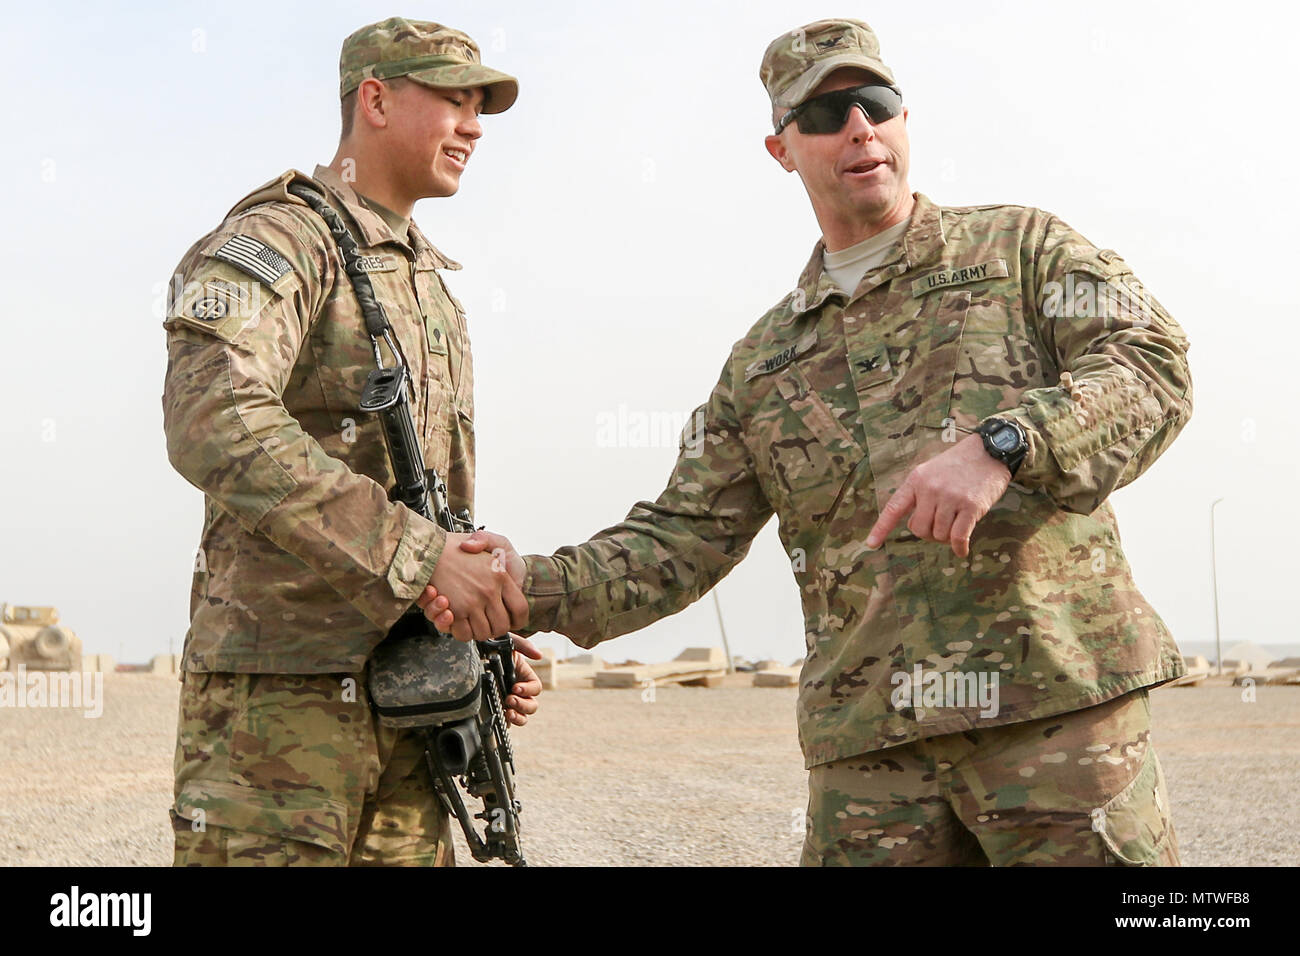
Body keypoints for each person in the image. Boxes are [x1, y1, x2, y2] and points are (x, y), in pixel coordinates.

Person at [425, 18, 1192, 866]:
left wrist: (1007, 443)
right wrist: (521, 584)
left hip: (1056, 725)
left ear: (903, 118)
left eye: (876, 103)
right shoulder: (763, 363)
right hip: (870, 758)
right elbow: (679, 538)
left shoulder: (1021, 249)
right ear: (781, 148)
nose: (858, 128)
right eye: (825, 114)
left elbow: (1151, 364)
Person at [161, 16, 537, 867]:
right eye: (454, 99)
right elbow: (210, 415)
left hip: (414, 716)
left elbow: (435, 504)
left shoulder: (428, 283)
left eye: (480, 105)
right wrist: (420, 558)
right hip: (281, 720)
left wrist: (473, 627)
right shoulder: (282, 242)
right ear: (375, 98)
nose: (474, 126)